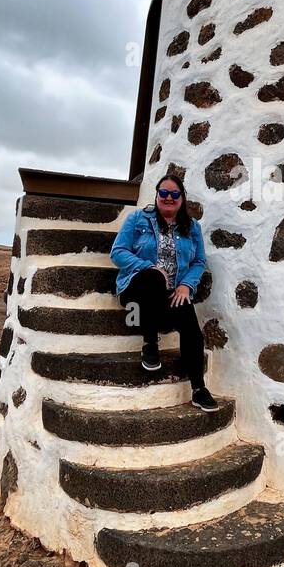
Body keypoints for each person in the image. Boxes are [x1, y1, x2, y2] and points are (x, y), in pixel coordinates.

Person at [110, 173, 218, 411]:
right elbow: (117, 252)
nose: (169, 197)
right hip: (137, 292)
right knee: (153, 277)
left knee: (190, 325)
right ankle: (150, 342)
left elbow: (199, 262)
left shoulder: (192, 228)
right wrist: (149, 267)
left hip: (170, 295)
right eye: (164, 193)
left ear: (182, 198)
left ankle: (199, 389)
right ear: (157, 195)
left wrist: (186, 285)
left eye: (175, 194)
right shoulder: (138, 219)